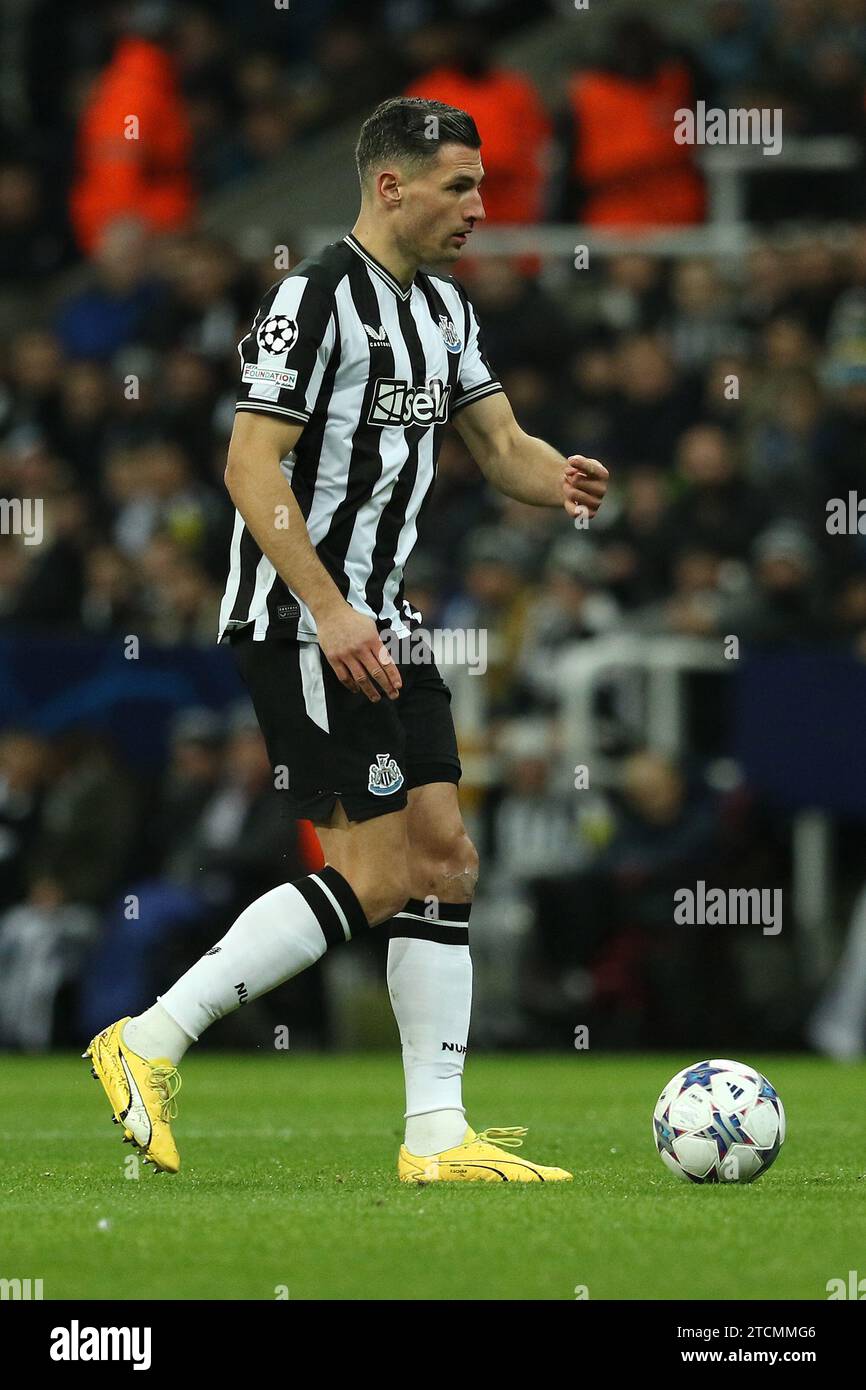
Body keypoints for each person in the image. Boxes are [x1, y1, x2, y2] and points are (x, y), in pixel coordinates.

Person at [85, 96, 609, 1183]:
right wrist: (327, 608)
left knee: (446, 861)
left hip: (390, 620)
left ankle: (435, 1136)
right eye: (458, 186)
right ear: (389, 186)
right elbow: (248, 466)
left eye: (480, 184)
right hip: (304, 620)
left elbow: (499, 444)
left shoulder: (444, 313)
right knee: (372, 873)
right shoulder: (311, 299)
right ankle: (149, 1038)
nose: (477, 206)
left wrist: (555, 476)